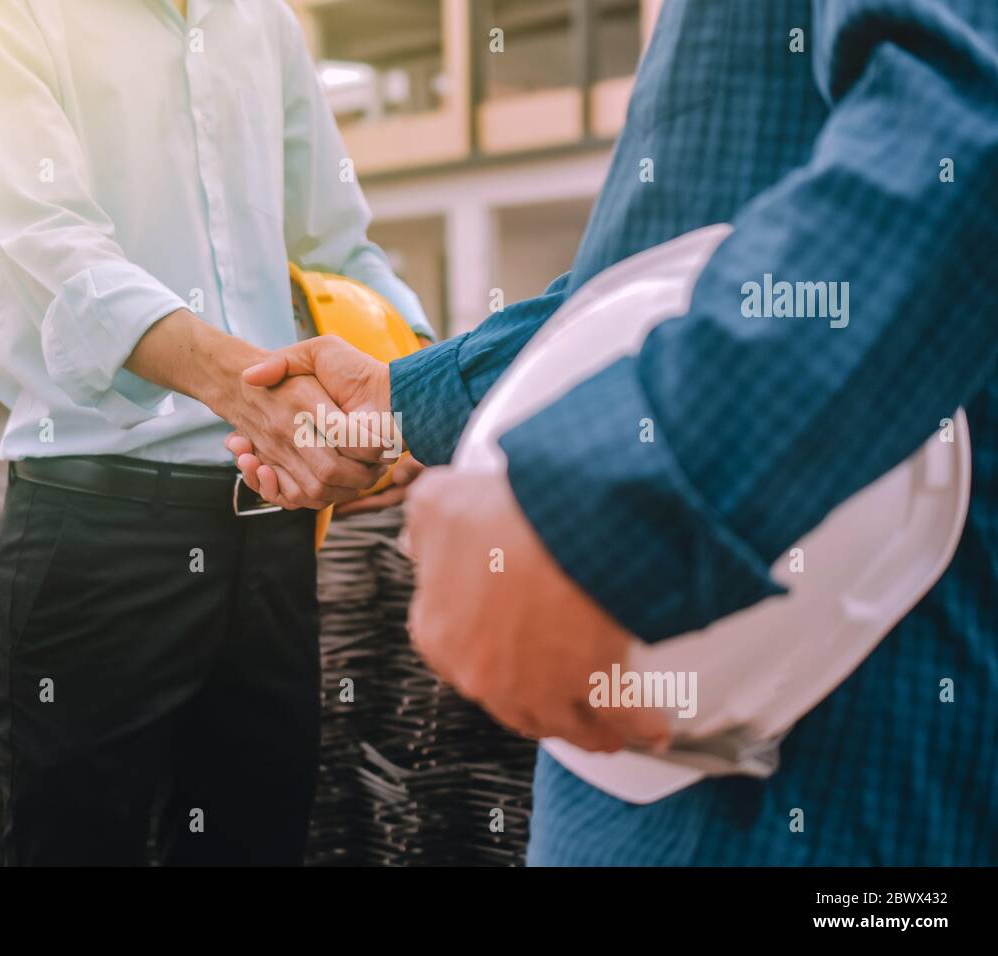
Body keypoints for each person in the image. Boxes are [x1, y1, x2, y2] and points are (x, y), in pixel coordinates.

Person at [229, 0, 998, 865]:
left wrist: (606, 513)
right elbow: (656, 271)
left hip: (831, 715)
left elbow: (960, 129)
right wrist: (401, 398)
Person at [0, 0, 434, 865]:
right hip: (97, 530)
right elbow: (55, 248)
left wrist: (413, 385)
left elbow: (339, 248)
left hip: (273, 526)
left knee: (255, 845)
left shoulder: (264, 21)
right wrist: (252, 393)